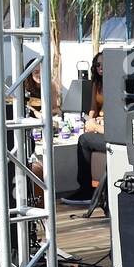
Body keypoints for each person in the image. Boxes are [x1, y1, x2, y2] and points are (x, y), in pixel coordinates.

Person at [58, 51, 106, 207]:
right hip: (99, 123)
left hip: (109, 129)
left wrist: (97, 126)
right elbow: (93, 107)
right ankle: (86, 188)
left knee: (84, 140)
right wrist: (90, 120)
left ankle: (86, 189)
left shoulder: (117, 83)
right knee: (85, 134)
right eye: (98, 65)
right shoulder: (97, 84)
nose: (101, 67)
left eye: (104, 64)